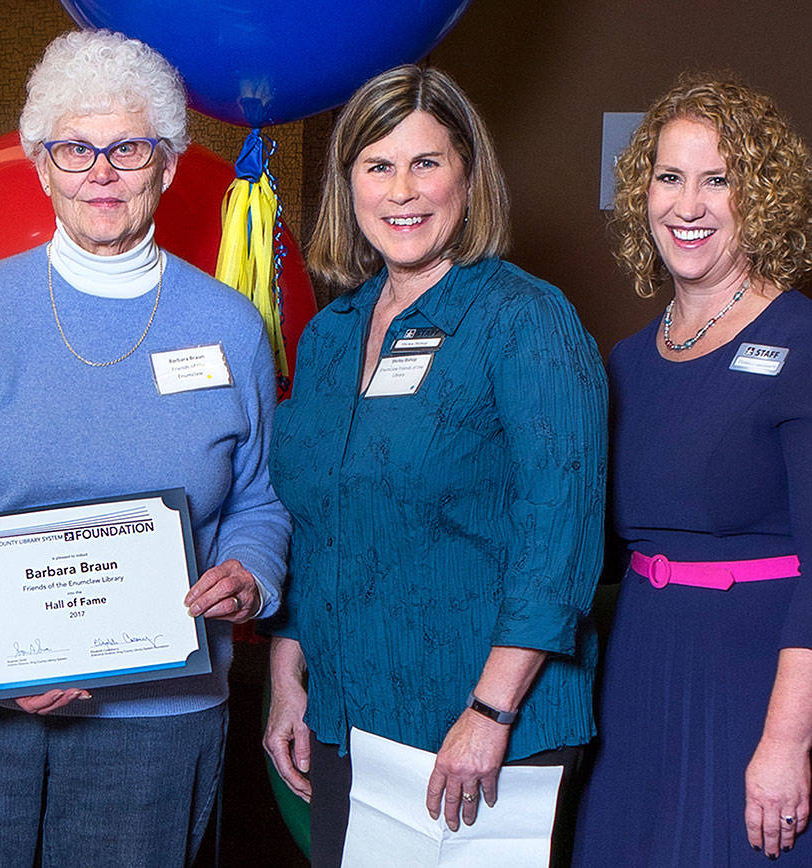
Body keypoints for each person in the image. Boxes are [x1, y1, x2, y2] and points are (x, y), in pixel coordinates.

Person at [0, 28, 289, 867]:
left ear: (168, 164)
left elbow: (259, 499)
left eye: (128, 148)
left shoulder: (230, 327)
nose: (101, 172)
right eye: (75, 148)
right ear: (42, 166)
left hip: (154, 717)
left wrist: (252, 571)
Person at [262, 64, 607, 867]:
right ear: (348, 187)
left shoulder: (526, 319)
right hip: (350, 722)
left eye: (427, 163)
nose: (402, 191)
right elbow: (317, 528)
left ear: (468, 175)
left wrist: (489, 711)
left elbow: (560, 540)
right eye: (377, 167)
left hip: (488, 729)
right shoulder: (330, 335)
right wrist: (289, 680)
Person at [573, 75, 812, 865]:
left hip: (755, 683)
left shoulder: (802, 342)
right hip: (639, 673)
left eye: (719, 180)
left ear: (762, 196)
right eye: (669, 178)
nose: (689, 205)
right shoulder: (628, 362)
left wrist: (785, 743)